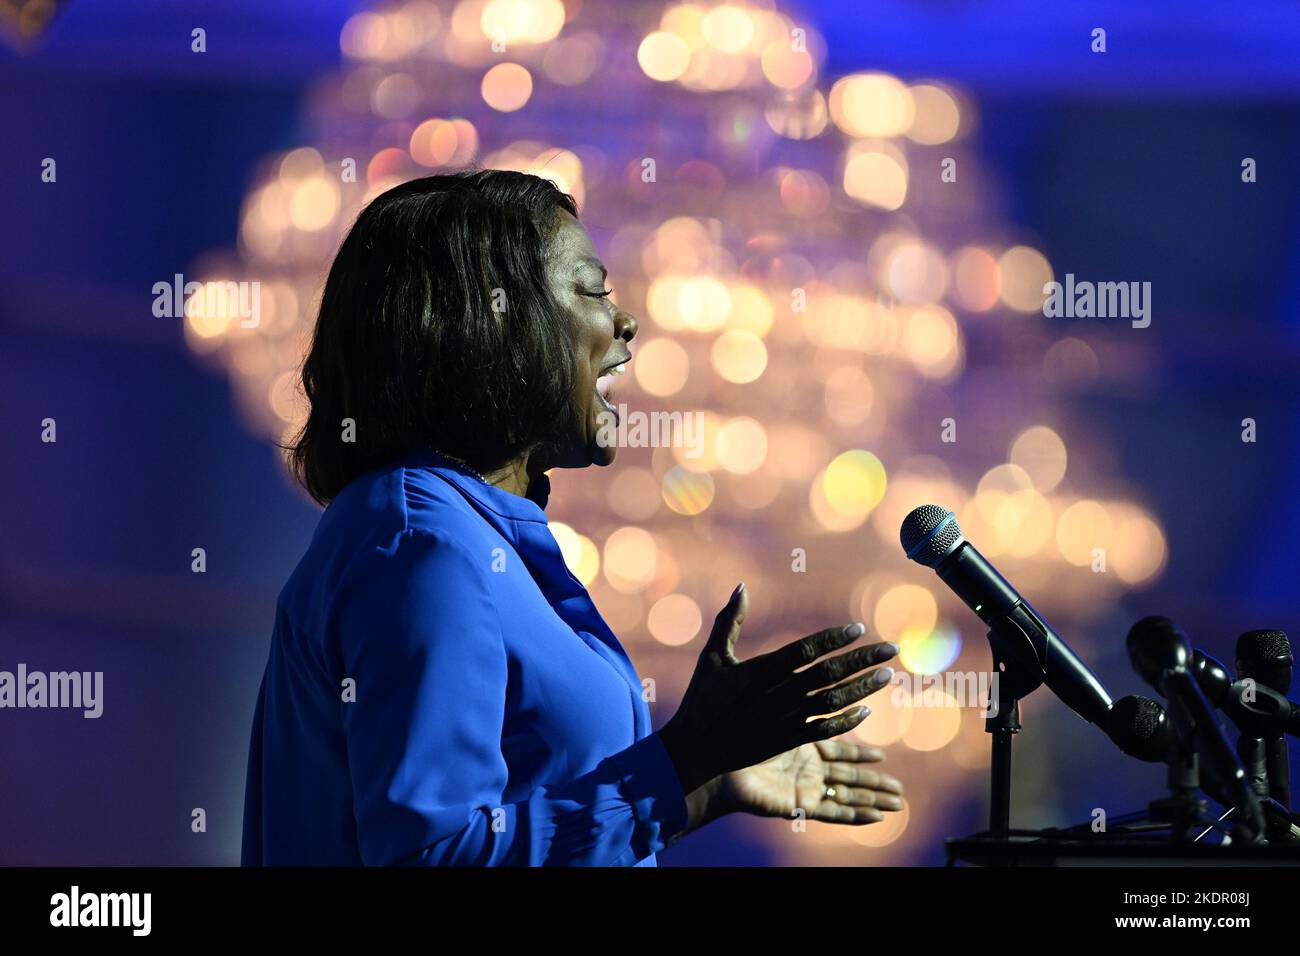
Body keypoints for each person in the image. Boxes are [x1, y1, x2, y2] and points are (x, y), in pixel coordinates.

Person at [241, 169, 903, 866]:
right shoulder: (424, 548)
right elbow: (429, 858)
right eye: (591, 290)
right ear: (485, 323)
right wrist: (678, 765)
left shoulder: (466, 536)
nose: (627, 322)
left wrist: (698, 787)